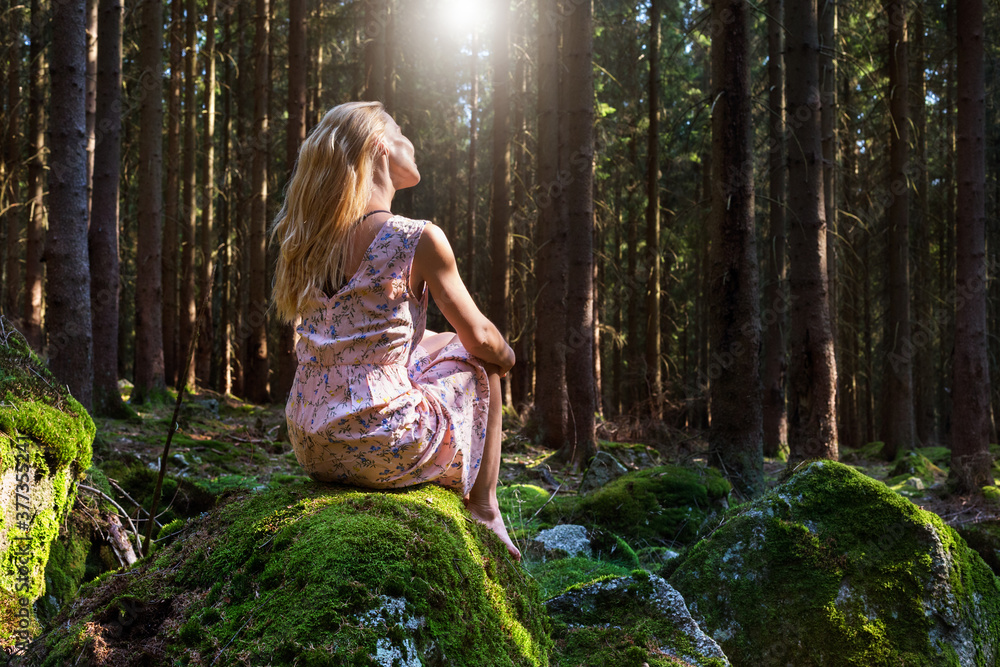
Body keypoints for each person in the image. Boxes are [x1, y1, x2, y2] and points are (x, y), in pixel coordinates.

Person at [270, 101, 520, 561]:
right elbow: (481, 337)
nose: (412, 142)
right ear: (380, 146)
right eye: (401, 131)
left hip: (310, 441)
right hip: (380, 438)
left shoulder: (308, 241)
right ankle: (486, 508)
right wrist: (507, 358)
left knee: (439, 342)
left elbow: (360, 339)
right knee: (481, 359)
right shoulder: (414, 237)